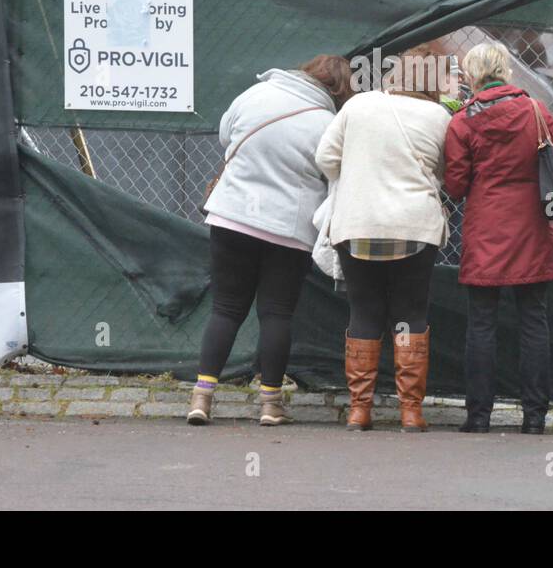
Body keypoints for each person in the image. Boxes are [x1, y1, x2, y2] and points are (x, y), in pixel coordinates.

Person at [189, 55, 352, 427]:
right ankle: (270, 404)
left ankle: (202, 396)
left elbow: (226, 136)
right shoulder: (328, 124)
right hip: (288, 230)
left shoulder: (256, 94)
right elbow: (332, 174)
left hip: (232, 216)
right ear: (338, 90)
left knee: (226, 309)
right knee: (276, 315)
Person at [315, 51, 452, 432]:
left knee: (364, 312)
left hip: (358, 223)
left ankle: (360, 410)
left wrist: (360, 172)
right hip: (414, 227)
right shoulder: (439, 117)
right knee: (410, 313)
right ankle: (411, 411)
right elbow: (446, 171)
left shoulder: (358, 105)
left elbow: (325, 157)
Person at [444, 41, 553, 434]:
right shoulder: (535, 110)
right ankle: (535, 418)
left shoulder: (462, 121)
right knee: (534, 319)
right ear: (506, 70)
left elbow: (457, 184)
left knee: (481, 322)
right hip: (532, 223)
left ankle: (478, 416)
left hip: (486, 227)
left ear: (472, 74)